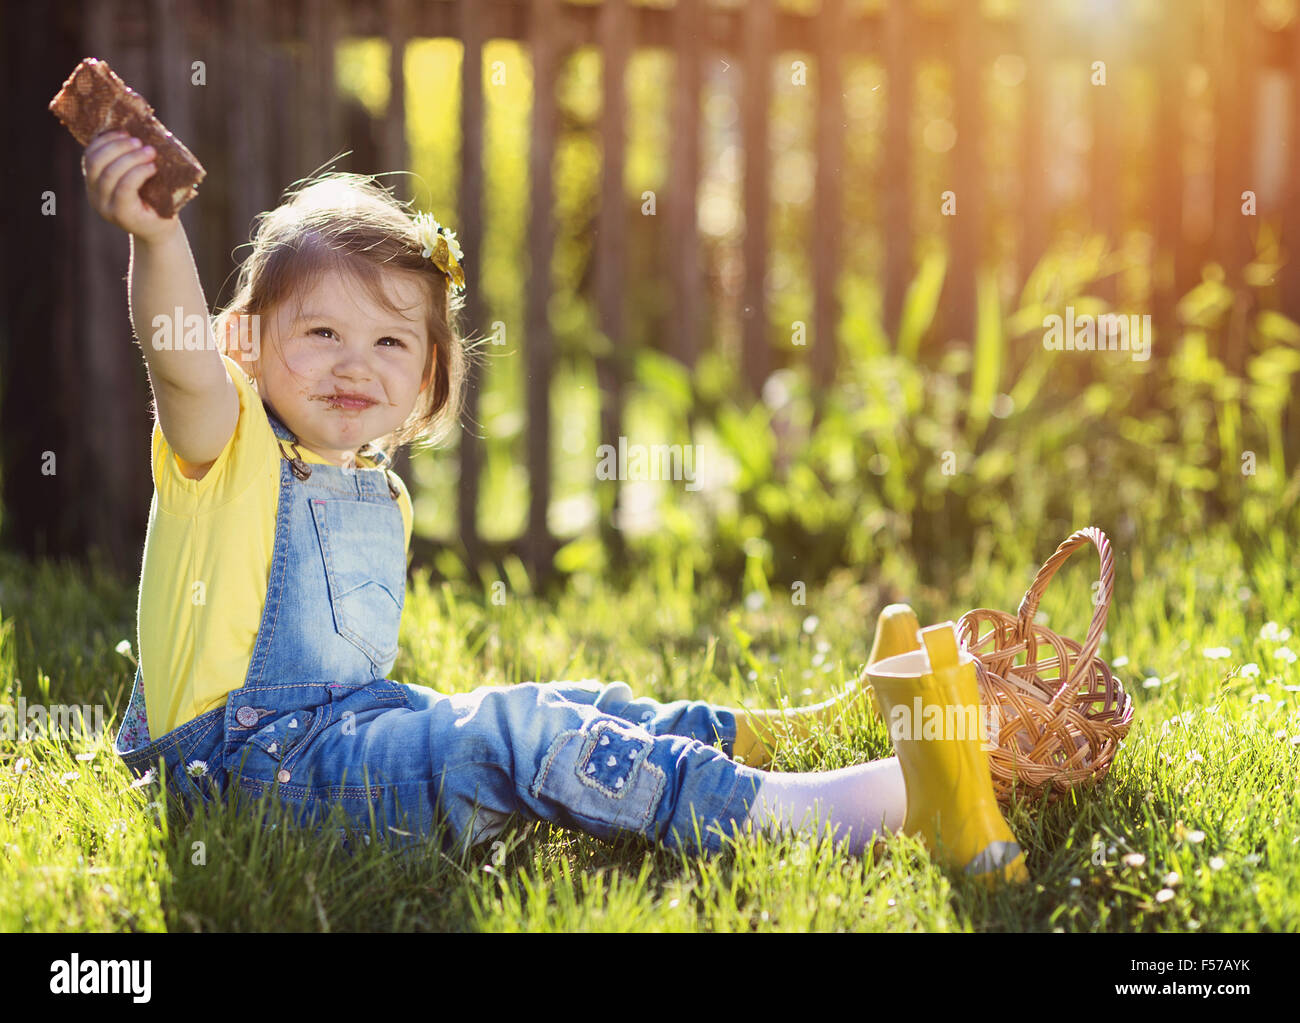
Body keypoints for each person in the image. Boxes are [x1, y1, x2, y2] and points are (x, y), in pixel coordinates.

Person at [84, 130, 1025, 881]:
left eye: (388, 341)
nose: (353, 362)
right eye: (320, 331)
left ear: (427, 378)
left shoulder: (377, 489)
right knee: (521, 738)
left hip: (339, 741)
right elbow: (177, 359)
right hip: (237, 776)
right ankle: (841, 810)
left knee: (565, 702)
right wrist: (158, 236)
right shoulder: (228, 441)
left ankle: (792, 736)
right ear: (244, 342)